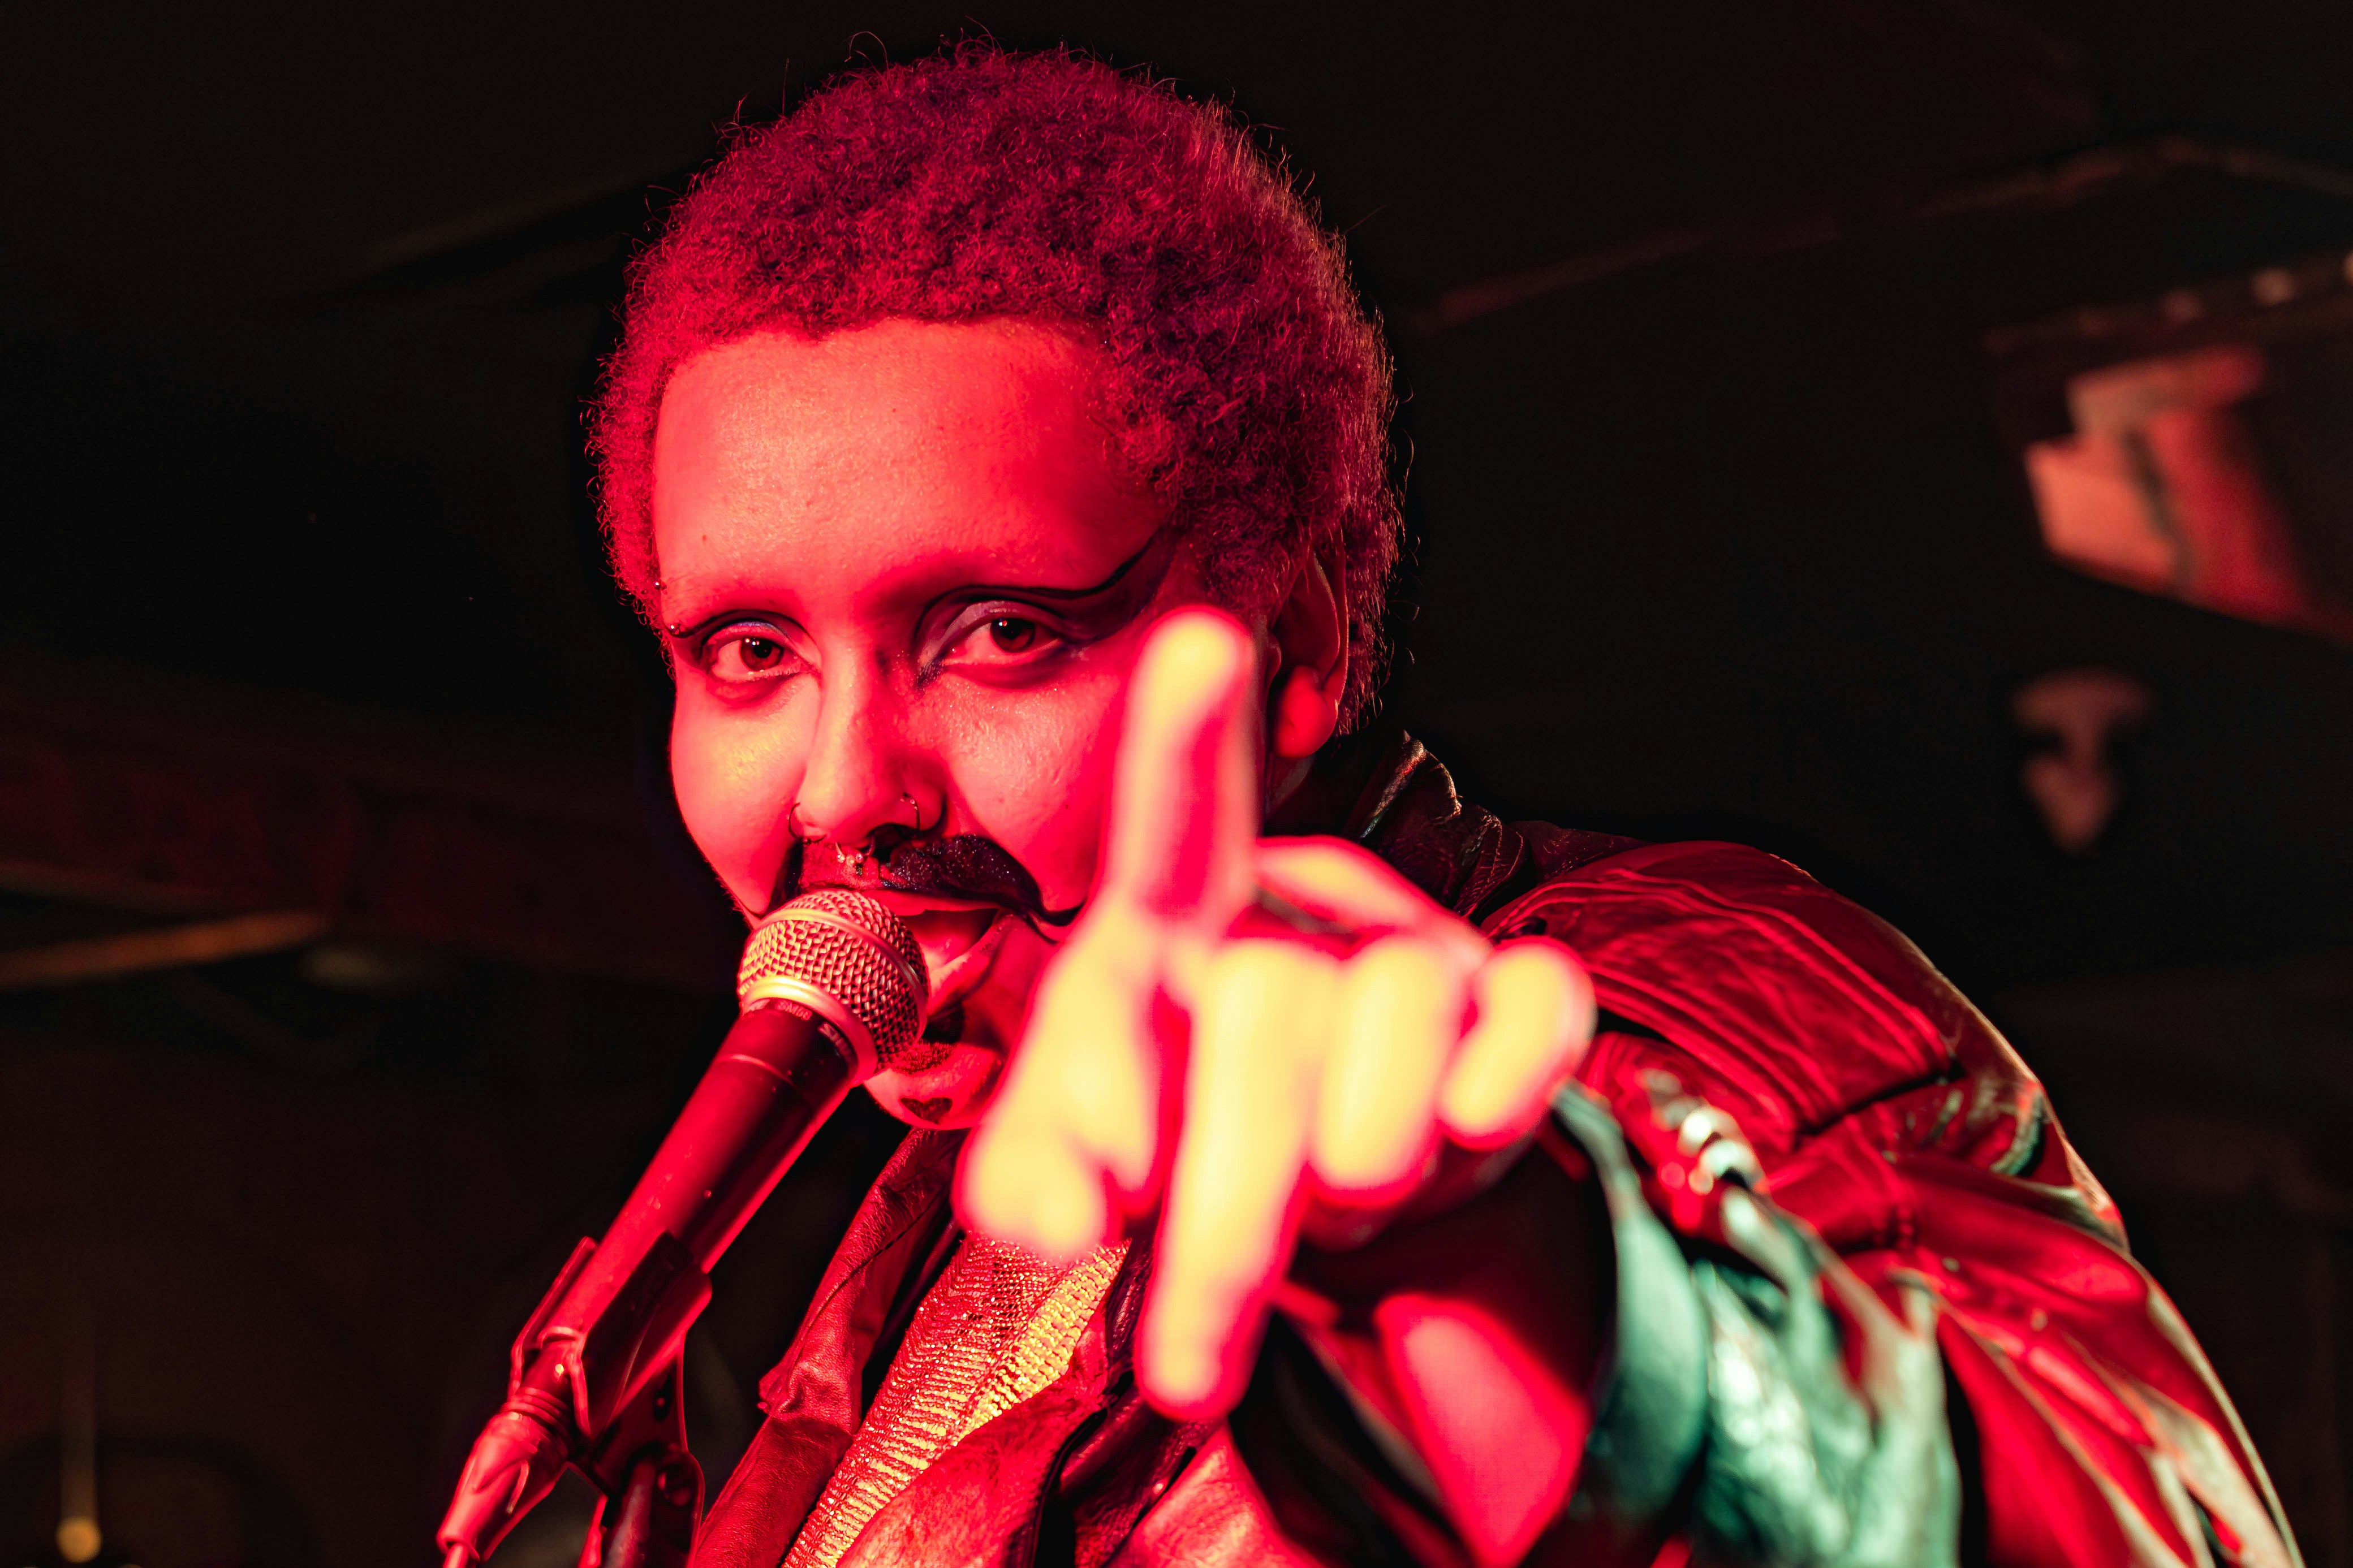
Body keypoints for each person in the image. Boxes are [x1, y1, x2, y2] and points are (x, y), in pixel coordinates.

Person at [588, 45, 2297, 1568]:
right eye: (749, 652)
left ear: (1297, 637)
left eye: (1002, 633)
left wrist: (1549, 1291)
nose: (842, 789)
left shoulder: (1676, 1007)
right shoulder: (930, 1224)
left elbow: (2128, 1522)